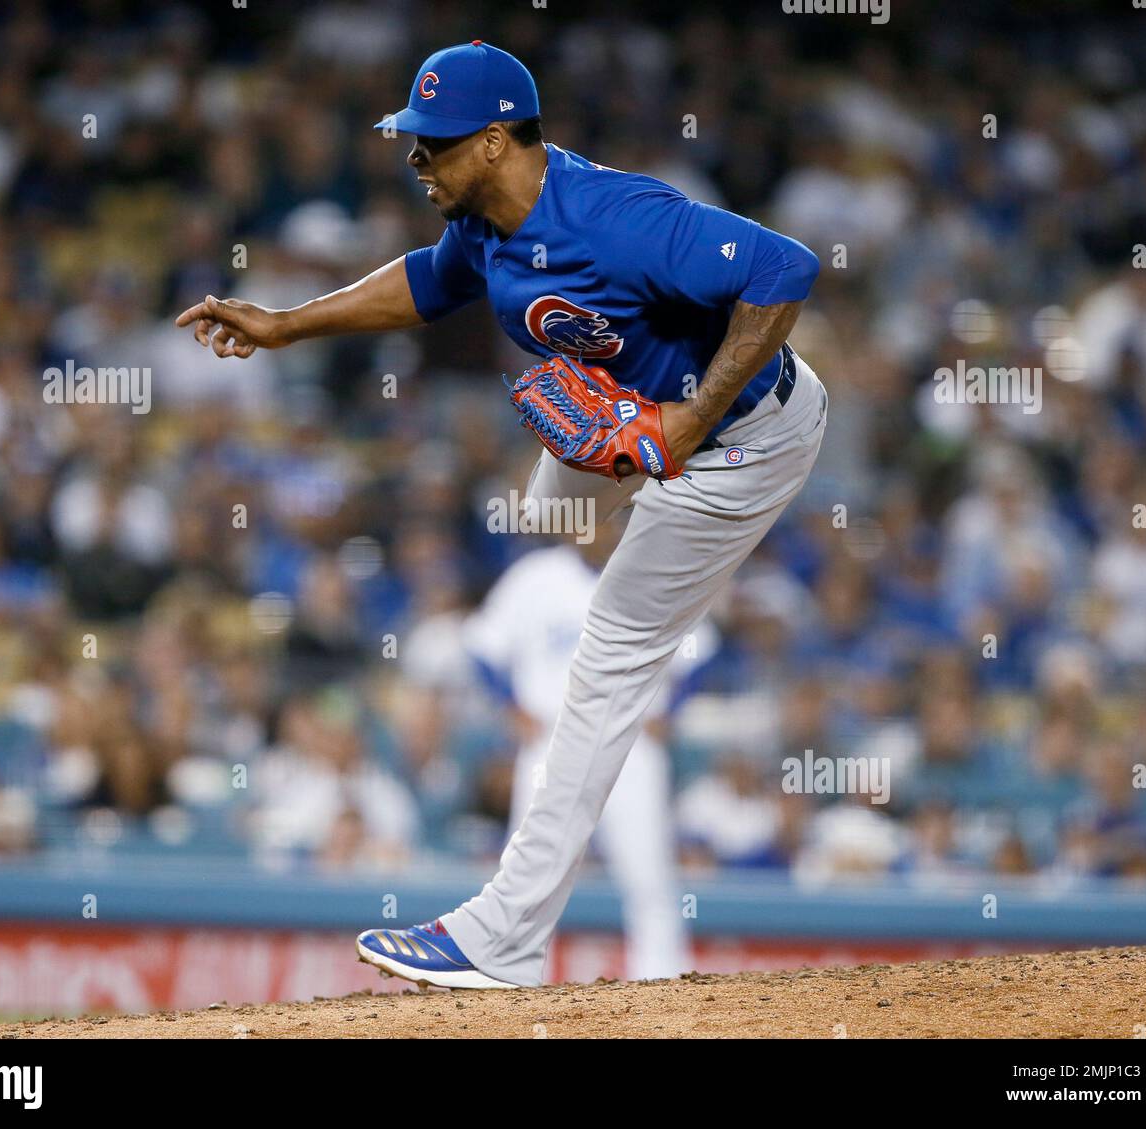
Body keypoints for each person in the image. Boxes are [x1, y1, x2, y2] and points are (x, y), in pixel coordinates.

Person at [177, 41, 826, 989]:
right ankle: (635, 484)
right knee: (546, 504)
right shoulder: (485, 223)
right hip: (639, 421)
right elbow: (425, 286)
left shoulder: (616, 218)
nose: (414, 160)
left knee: (604, 661)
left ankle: (504, 935)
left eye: (430, 144)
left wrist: (685, 423)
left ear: (491, 142)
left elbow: (788, 268)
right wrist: (284, 323)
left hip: (741, 443)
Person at [463, 520, 715, 981]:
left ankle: (663, 989)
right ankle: (506, 984)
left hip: (631, 748)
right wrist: (511, 706)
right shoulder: (534, 577)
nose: (600, 527)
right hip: (552, 745)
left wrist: (672, 708)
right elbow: (481, 646)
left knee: (649, 877)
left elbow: (702, 649)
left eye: (615, 516)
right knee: (526, 877)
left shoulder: (657, 570)